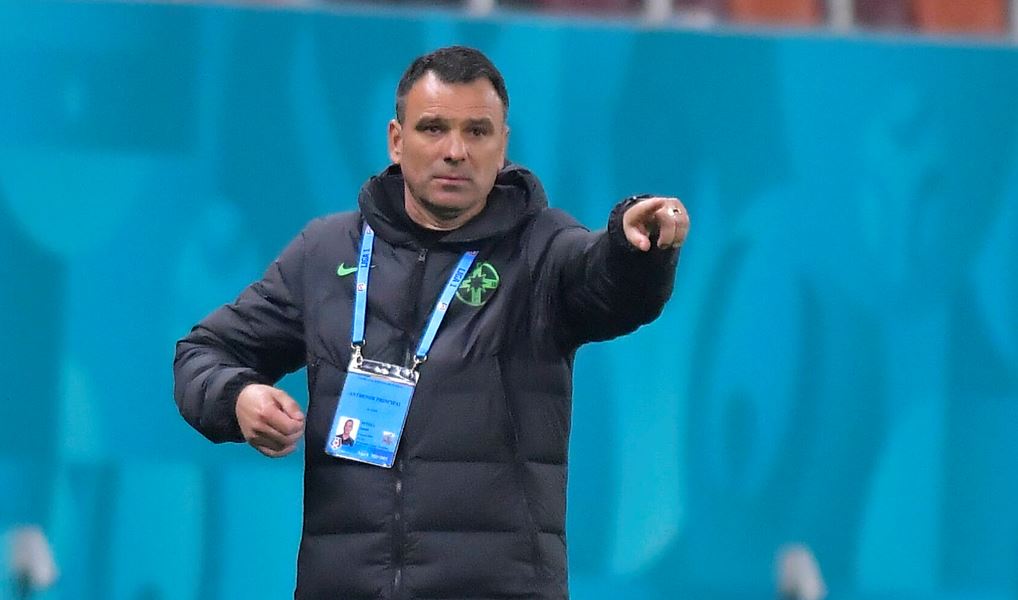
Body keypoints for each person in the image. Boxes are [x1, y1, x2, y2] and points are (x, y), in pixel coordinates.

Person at [173, 45, 689, 600]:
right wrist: (238, 398)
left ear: (502, 146)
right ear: (396, 141)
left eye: (477, 132)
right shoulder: (325, 252)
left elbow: (607, 284)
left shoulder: (542, 251)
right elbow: (203, 353)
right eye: (434, 128)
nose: (455, 151)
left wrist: (633, 251)